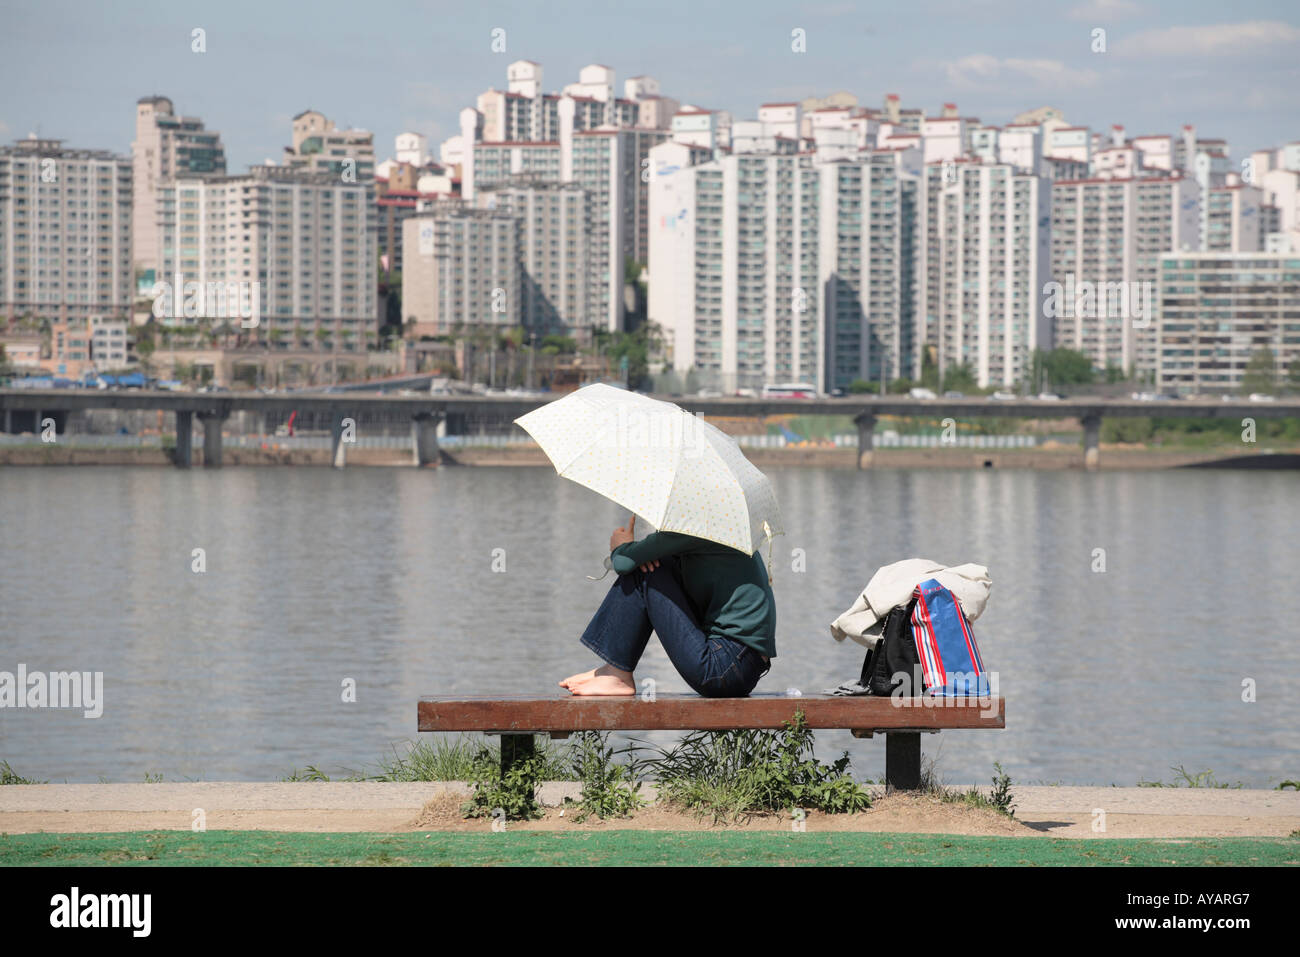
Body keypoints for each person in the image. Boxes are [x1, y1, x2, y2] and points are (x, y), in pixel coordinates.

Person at [560, 515, 775, 697]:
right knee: (655, 565)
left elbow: (624, 563)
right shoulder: (721, 526)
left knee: (646, 573)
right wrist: (640, 556)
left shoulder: (695, 525)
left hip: (723, 667)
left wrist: (619, 546)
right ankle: (613, 670)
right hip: (739, 666)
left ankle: (617, 674)